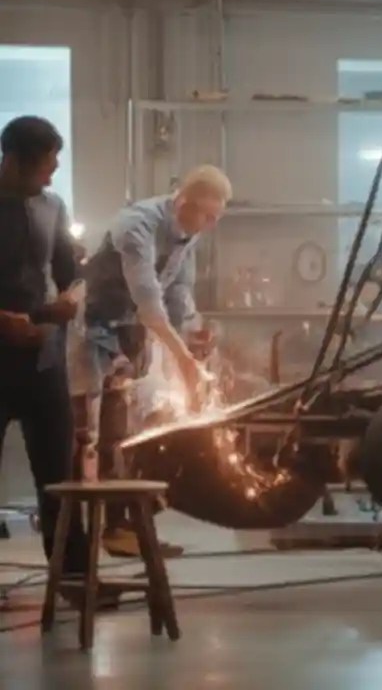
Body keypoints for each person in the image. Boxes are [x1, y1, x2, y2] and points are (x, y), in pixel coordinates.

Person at [70, 165, 231, 558]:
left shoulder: (186, 234)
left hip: (129, 338)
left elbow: (177, 294)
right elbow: (149, 302)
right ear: (183, 203)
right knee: (84, 437)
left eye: (216, 218)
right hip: (91, 332)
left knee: (122, 436)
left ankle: (120, 527)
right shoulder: (136, 225)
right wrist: (186, 363)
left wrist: (195, 334)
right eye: (206, 216)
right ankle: (76, 540)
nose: (209, 226)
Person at [0, 116, 94, 592]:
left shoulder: (52, 207)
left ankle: (73, 580)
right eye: (43, 168)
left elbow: (71, 272)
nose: (51, 177)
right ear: (12, 161)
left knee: (59, 480)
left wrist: (71, 302)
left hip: (43, 362)